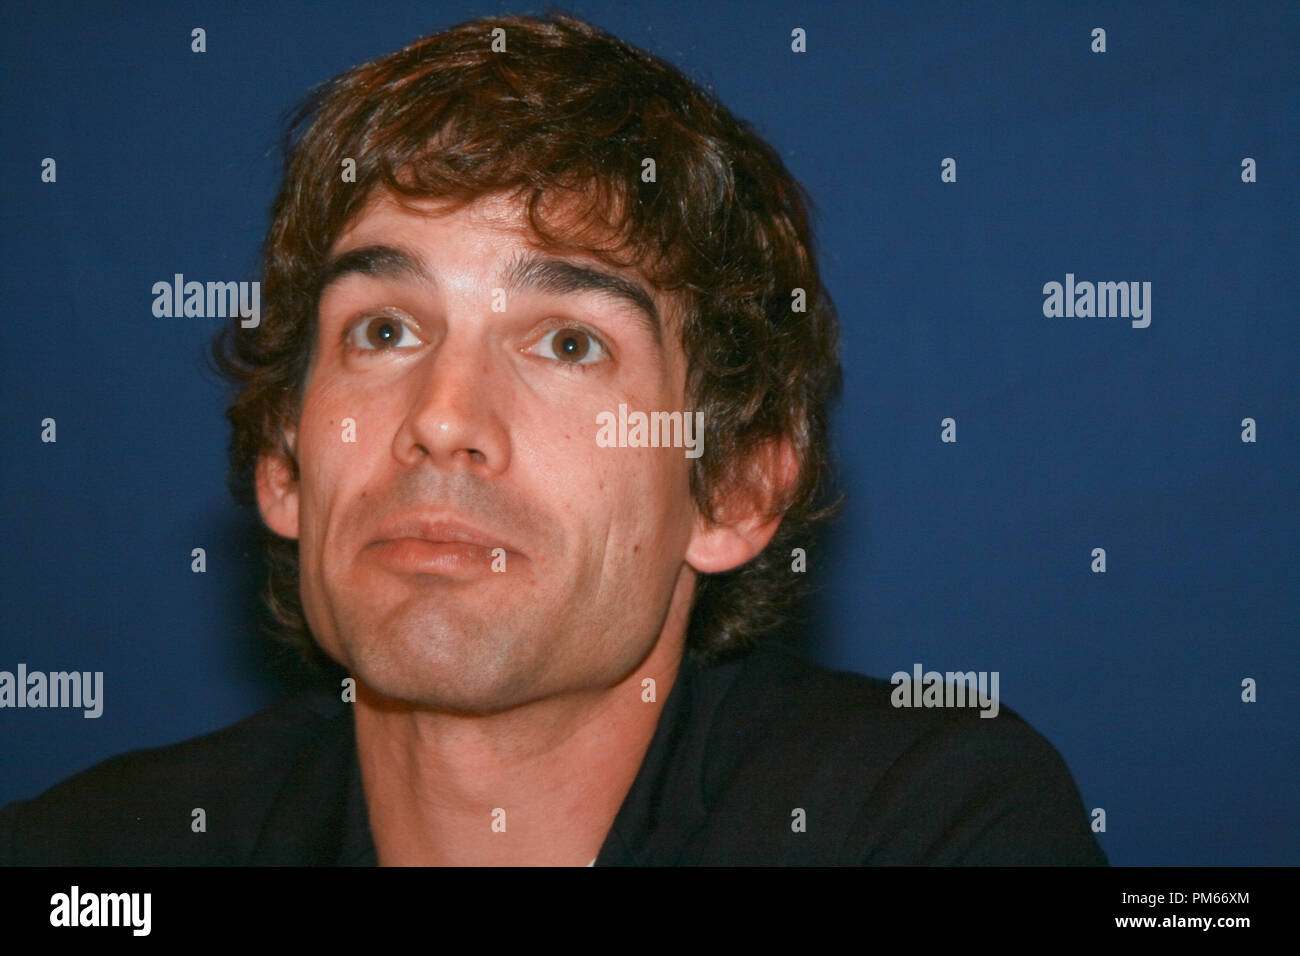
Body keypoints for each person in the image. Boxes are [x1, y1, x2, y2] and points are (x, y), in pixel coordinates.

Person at [0, 11, 1104, 866]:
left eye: (568, 343)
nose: (442, 419)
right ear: (283, 461)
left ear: (732, 489)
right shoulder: (95, 857)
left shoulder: (926, 822)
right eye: (383, 330)